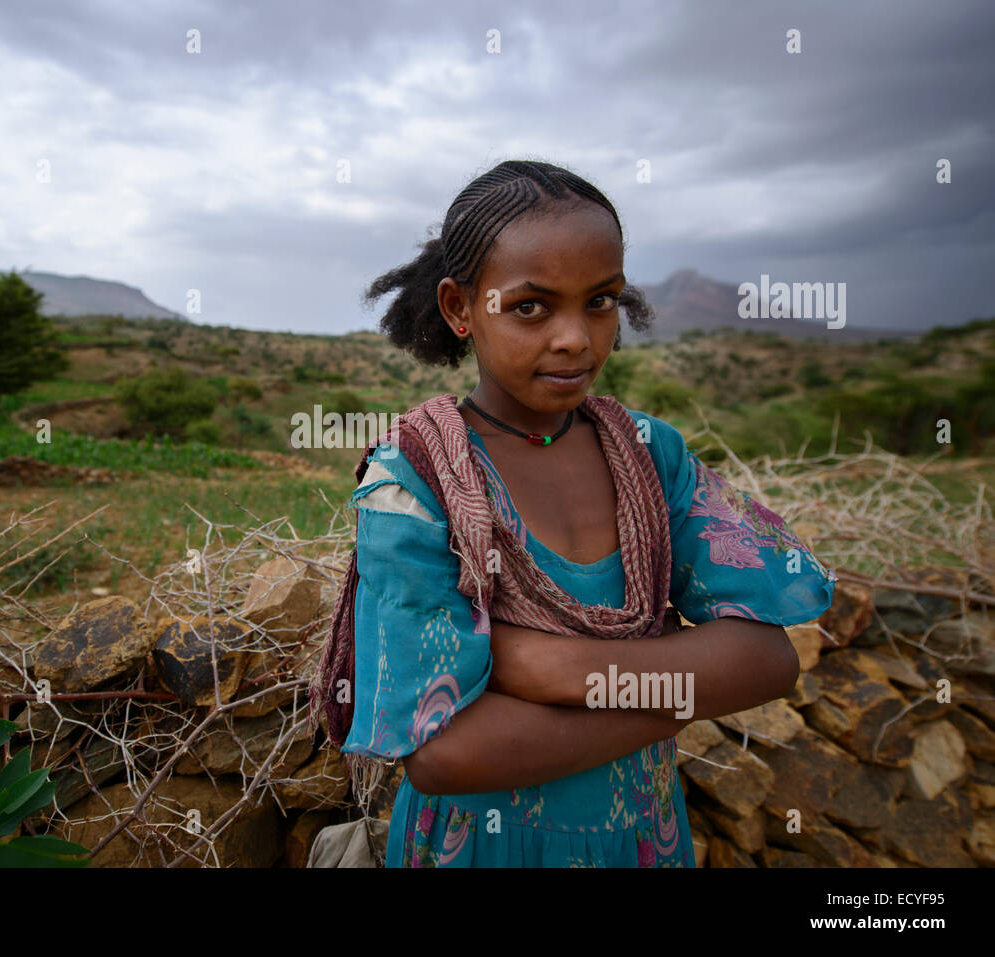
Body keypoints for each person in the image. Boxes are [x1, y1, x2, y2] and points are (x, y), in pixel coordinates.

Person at [306, 159, 837, 868]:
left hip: (645, 844)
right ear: (461, 308)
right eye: (531, 306)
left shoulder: (650, 456)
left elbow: (767, 657)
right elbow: (444, 752)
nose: (576, 339)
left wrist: (558, 670)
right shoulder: (414, 480)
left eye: (600, 301)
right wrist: (676, 691)